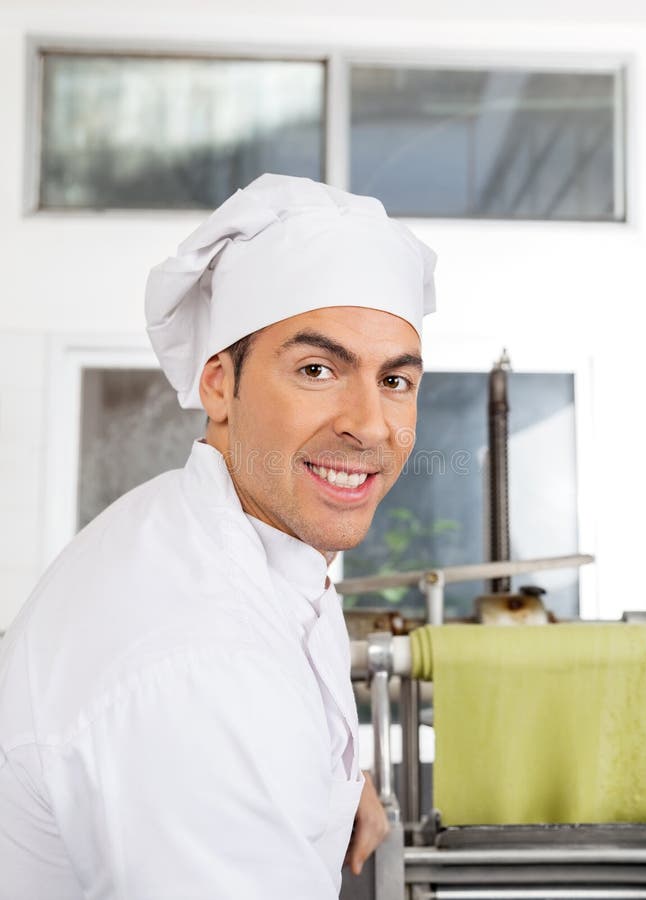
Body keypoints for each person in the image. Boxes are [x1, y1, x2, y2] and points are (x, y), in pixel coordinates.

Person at [0, 174, 436, 899]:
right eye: (317, 370)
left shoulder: (214, 525)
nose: (368, 423)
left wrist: (330, 783)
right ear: (218, 385)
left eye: (395, 381)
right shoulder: (199, 671)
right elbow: (211, 711)